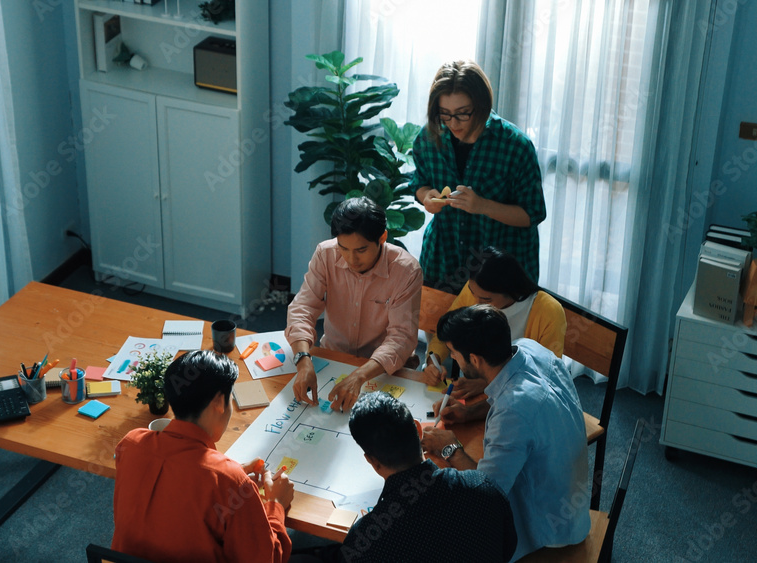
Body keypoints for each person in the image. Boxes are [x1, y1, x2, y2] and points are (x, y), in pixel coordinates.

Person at [420, 305, 590, 561]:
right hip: (568, 496)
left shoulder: (513, 411)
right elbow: (513, 390)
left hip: (547, 530)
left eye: (454, 353)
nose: (452, 359)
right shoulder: (529, 348)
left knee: (436, 529)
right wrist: (471, 412)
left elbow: (487, 495)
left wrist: (450, 448)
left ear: (475, 359)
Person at [111, 351, 294, 563]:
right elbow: (266, 559)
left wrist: (229, 477)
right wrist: (275, 504)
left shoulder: (131, 443)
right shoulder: (229, 481)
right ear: (218, 402)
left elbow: (176, 491)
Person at [411, 60, 545, 293]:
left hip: (500, 274)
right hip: (443, 263)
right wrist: (426, 197)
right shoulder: (429, 137)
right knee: (440, 328)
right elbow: (419, 183)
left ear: (481, 105)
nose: (453, 123)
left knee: (497, 330)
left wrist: (482, 205)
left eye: (463, 114)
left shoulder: (515, 146)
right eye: (445, 114)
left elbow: (532, 214)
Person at [336, 392, 517, 563]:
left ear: (372, 461)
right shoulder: (482, 488)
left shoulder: (365, 540)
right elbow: (507, 549)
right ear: (418, 429)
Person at [286, 197, 422, 412]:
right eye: (343, 248)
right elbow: (303, 307)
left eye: (361, 250)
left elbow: (402, 337)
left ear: (383, 237)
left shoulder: (406, 270)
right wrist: (303, 360)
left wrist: (359, 376)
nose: (351, 259)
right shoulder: (325, 254)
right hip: (334, 358)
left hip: (382, 371)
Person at [423, 246, 566, 402]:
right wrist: (433, 363)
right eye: (472, 294)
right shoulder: (477, 291)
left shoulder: (548, 311)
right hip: (474, 393)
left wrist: (487, 383)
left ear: (511, 290)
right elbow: (450, 332)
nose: (476, 304)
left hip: (522, 398)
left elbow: (544, 376)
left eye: (486, 300)